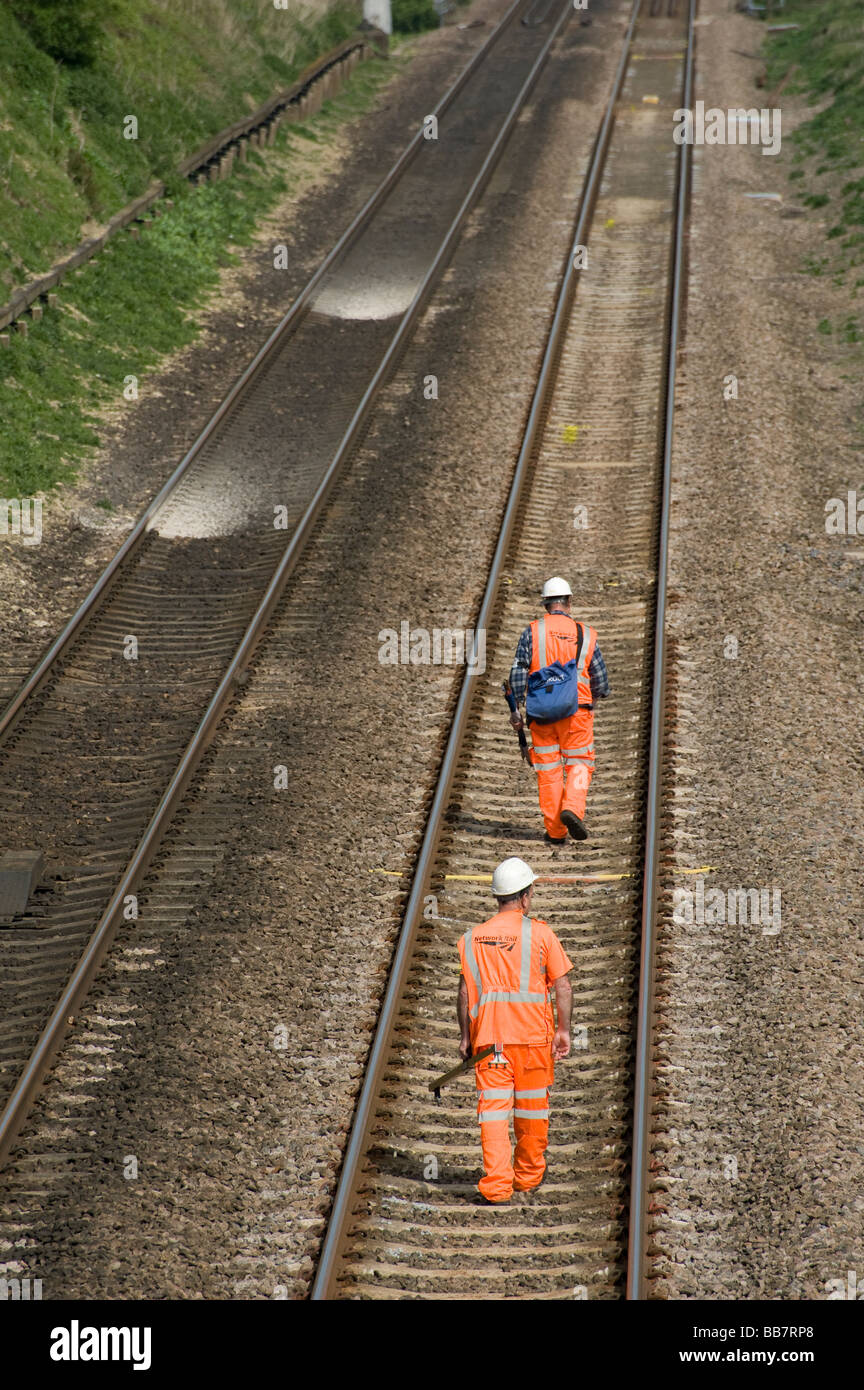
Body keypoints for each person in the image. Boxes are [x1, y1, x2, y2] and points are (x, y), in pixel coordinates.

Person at [457, 857, 573, 1204]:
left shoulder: (472, 938)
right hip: (534, 1042)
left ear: (498, 898)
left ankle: (496, 1185)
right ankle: (527, 1177)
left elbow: (465, 992)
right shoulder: (541, 933)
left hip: (489, 1044)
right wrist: (564, 1031)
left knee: (492, 1115)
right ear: (524, 897)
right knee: (532, 1111)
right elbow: (563, 986)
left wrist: (465, 1037)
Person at [507, 577, 609, 844]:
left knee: (549, 772)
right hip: (577, 714)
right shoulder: (585, 634)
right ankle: (572, 809)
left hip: (541, 715)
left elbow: (518, 671)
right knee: (579, 764)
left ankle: (555, 832)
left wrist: (517, 708)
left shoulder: (533, 631)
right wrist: (592, 700)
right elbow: (600, 679)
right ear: (569, 602)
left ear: (545, 604)